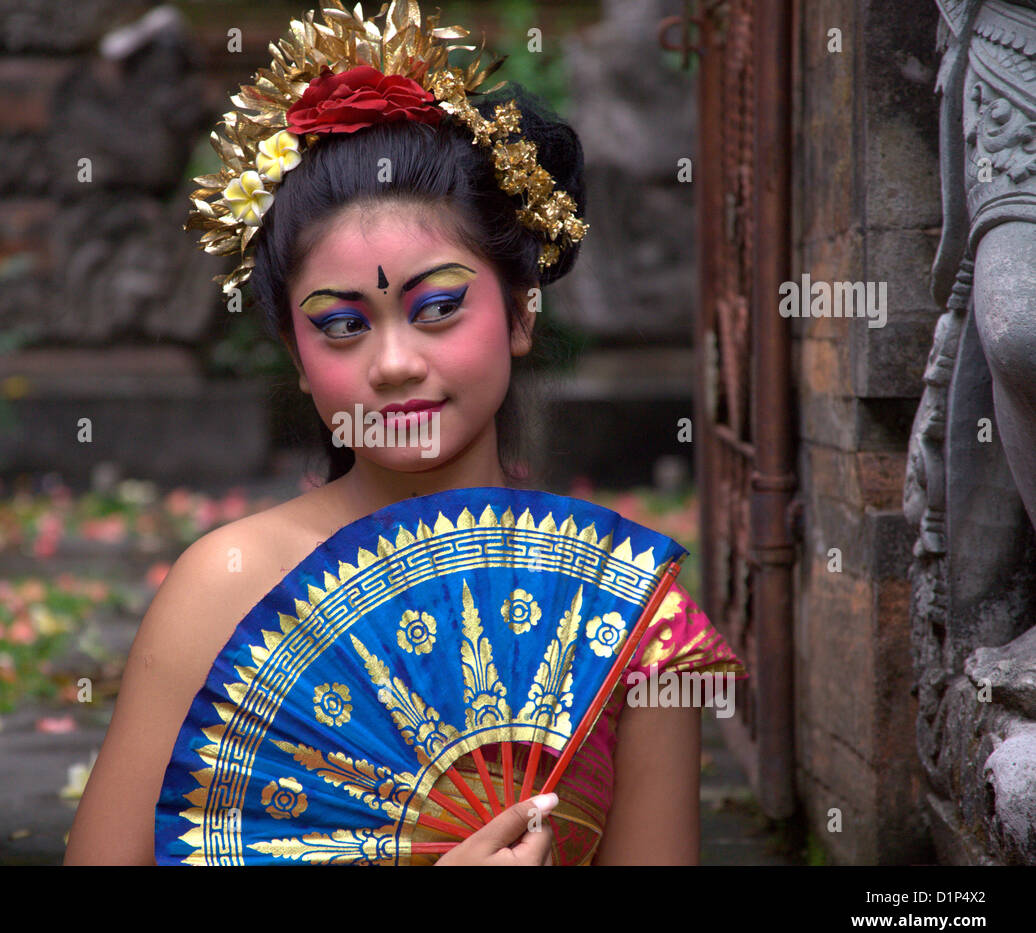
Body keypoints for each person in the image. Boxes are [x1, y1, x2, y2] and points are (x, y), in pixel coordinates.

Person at [64, 2, 746, 866]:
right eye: (342, 325)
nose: (393, 363)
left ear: (522, 312)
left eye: (439, 308)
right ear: (297, 355)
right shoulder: (221, 590)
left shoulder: (630, 613)